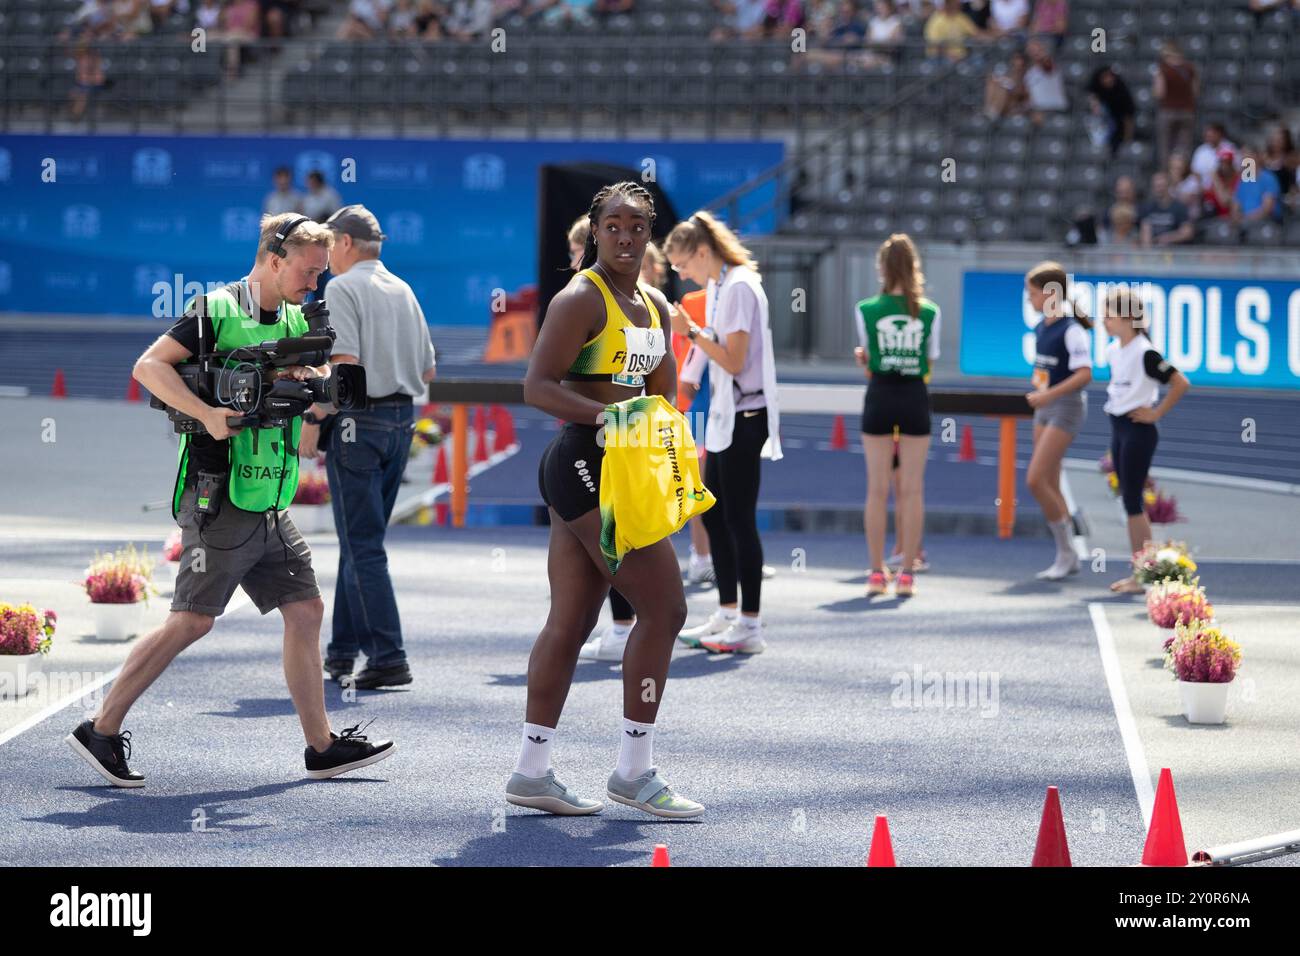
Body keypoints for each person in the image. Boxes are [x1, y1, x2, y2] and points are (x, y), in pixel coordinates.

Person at [66, 213, 395, 788]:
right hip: (219, 496)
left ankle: (320, 747)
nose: (314, 283)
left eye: (320, 273)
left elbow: (304, 378)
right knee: (191, 621)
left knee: (306, 609)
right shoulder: (215, 310)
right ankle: (101, 727)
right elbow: (148, 367)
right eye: (307, 271)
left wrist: (312, 376)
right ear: (273, 259)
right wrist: (208, 414)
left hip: (268, 495)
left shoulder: (296, 317)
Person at [511, 181, 704, 818]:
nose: (625, 237)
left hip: (623, 472)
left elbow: (663, 399)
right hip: (580, 464)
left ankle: (532, 773)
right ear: (595, 231)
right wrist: (606, 419)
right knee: (667, 609)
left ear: (651, 234)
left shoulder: (657, 305)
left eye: (637, 227)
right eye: (613, 226)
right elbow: (537, 387)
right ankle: (634, 772)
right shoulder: (578, 299)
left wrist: (661, 449)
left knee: (571, 622)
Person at [301, 205, 435, 689]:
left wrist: (315, 417)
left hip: (358, 422)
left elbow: (346, 367)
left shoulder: (342, 288)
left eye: (329, 245)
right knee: (361, 543)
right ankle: (342, 652)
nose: (325, 257)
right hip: (401, 421)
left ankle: (388, 654)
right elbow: (427, 370)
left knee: (362, 545)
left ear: (345, 243)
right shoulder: (403, 289)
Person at [668, 212, 783, 652]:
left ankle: (749, 624)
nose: (681, 274)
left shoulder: (738, 286)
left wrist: (691, 333)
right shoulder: (721, 285)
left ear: (702, 252)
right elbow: (715, 348)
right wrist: (689, 375)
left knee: (738, 520)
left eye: (683, 265)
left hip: (745, 416)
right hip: (726, 415)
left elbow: (733, 360)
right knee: (715, 514)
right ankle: (729, 611)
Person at [851, 234, 938, 597]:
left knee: (877, 489)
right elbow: (929, 361)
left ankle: (875, 572)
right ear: (914, 267)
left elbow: (871, 360)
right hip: (914, 395)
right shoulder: (930, 311)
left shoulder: (866, 308)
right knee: (913, 490)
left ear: (883, 268)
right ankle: (906, 574)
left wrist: (868, 360)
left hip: (881, 395)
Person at [1100, 287, 1190, 593]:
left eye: (1109, 315)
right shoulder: (1115, 350)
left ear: (1128, 318)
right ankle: (1143, 572)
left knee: (1132, 501)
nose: (1104, 321)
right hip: (1120, 429)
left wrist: (1156, 413)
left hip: (1139, 432)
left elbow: (1180, 382)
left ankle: (1143, 575)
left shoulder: (1145, 352)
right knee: (1129, 501)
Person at [1023, 261, 1093, 581]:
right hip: (1046, 406)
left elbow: (1084, 374)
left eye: (1033, 293)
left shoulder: (1072, 330)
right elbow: (1045, 371)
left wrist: (1048, 395)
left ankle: (1066, 550)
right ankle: (1068, 553)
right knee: (1049, 480)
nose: (1029, 299)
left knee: (1035, 480)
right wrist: (1040, 392)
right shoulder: (1041, 327)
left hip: (1065, 408)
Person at [1152, 41, 1198, 169]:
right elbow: (1195, 91)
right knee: (1184, 147)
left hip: (1168, 111)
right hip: (1187, 111)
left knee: (1165, 147)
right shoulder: (1190, 68)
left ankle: (1168, 175)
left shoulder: (1163, 69)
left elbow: (1159, 92)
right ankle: (1183, 173)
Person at [1085, 65, 1135, 156]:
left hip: (1117, 130)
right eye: (1105, 77)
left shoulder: (1122, 94)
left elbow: (1127, 118)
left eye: (1110, 77)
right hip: (1097, 128)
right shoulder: (1095, 93)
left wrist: (1127, 138)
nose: (1108, 80)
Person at [1233, 144, 1284, 225]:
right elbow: (1235, 206)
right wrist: (1238, 219)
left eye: (1247, 154)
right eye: (1242, 155)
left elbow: (1267, 209)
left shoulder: (1268, 178)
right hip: (1245, 226)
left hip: (1266, 225)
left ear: (1256, 156)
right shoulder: (1242, 181)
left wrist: (1245, 219)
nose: (1243, 158)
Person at [1138, 172, 1193, 247]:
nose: (1158, 189)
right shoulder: (1148, 207)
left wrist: (1167, 238)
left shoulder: (1179, 207)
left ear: (1168, 186)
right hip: (1153, 252)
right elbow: (1145, 232)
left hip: (1174, 252)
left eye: (1161, 186)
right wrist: (1148, 249)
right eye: (1156, 186)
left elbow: (1187, 232)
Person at [1190, 123, 1236, 188]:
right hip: (1200, 186)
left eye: (1211, 135)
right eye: (1207, 136)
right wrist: (1201, 186)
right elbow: (1194, 170)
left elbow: (1234, 170)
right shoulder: (1201, 150)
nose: (1209, 138)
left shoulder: (1229, 148)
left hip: (1223, 185)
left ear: (1219, 134)